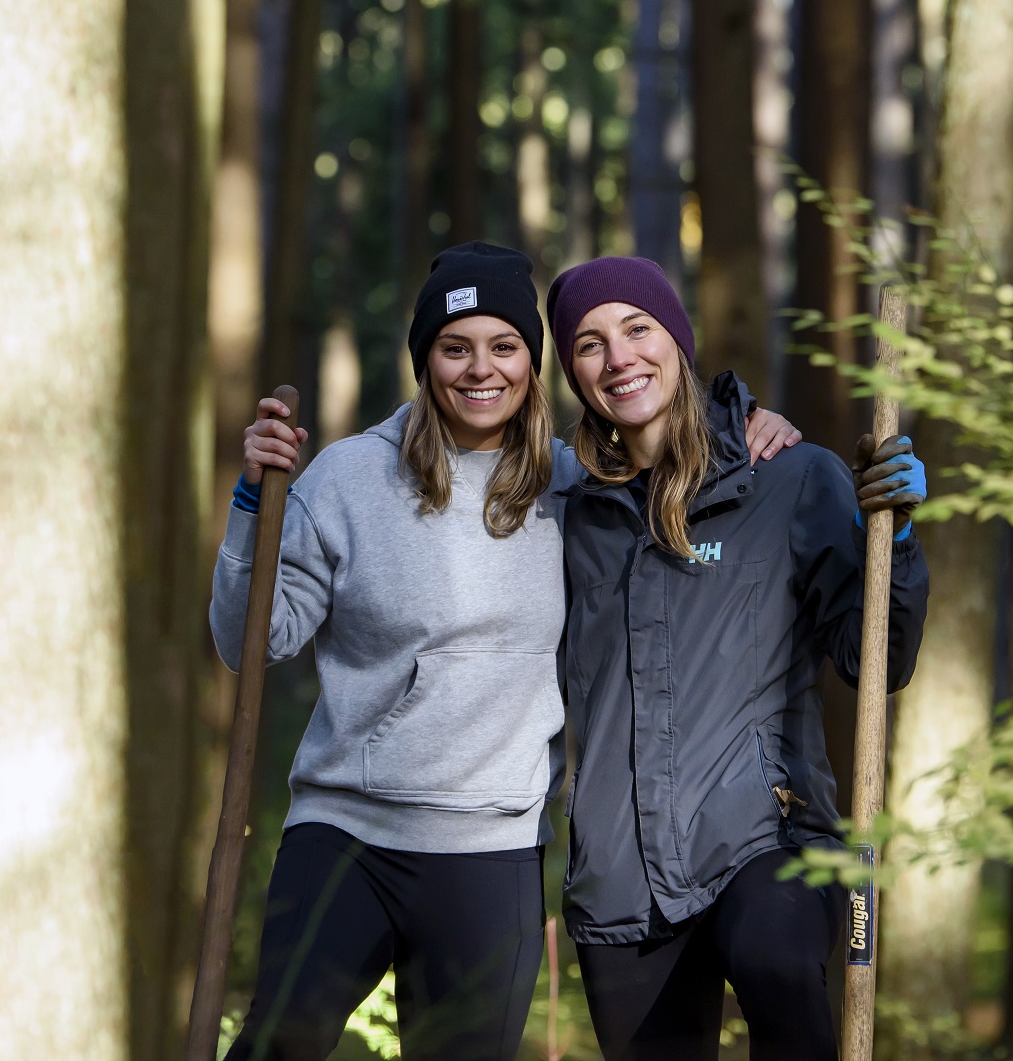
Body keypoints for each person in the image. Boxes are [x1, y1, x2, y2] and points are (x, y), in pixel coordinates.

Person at [210, 242, 803, 1061]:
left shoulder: (579, 489)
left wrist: (754, 426)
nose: (479, 369)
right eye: (455, 347)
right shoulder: (346, 480)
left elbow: (683, 473)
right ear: (426, 360)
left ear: (532, 361)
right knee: (283, 1042)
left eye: (505, 346)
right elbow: (254, 640)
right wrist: (252, 504)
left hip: (490, 849)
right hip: (348, 830)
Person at [546, 256, 932, 1061]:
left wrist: (895, 540)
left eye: (637, 328)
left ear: (677, 341)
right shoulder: (568, 515)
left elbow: (878, 661)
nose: (619, 357)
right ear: (575, 373)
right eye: (589, 343)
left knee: (775, 960)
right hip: (622, 877)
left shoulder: (788, 479)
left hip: (768, 838)